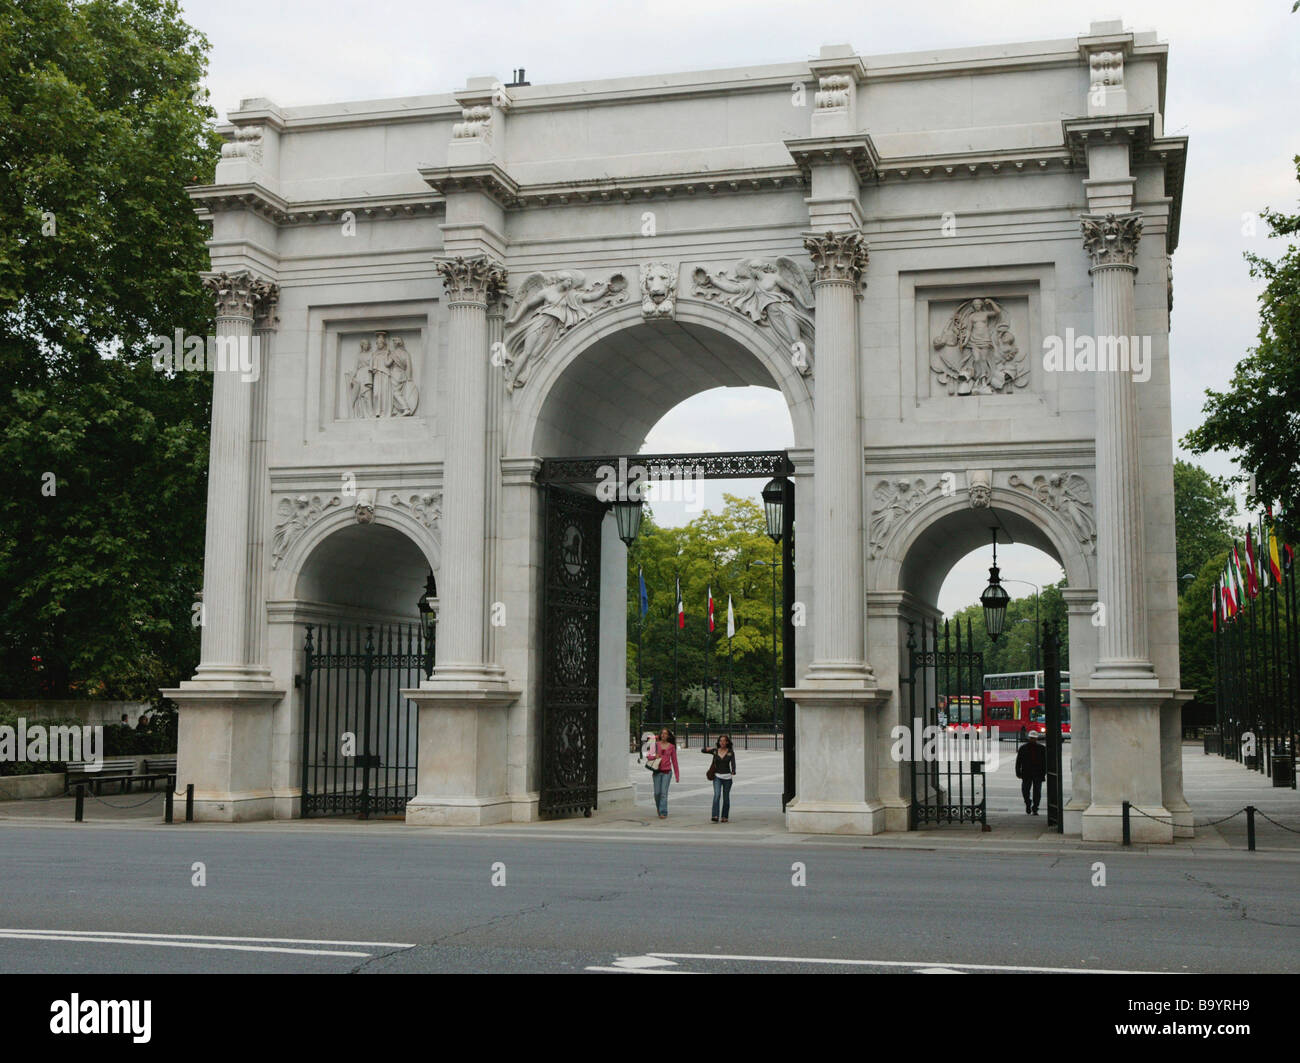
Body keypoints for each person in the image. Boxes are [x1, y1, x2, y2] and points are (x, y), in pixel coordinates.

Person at [701, 734, 737, 823]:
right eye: (720, 741)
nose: (722, 742)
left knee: (726, 797)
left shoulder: (730, 752)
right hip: (717, 776)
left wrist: (733, 770)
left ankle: (725, 816)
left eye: (724, 741)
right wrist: (707, 748)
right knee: (716, 795)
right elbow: (702, 750)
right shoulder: (715, 751)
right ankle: (715, 815)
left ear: (727, 742)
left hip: (727, 778)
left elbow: (733, 763)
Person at [1015, 730, 1047, 815]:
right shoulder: (1023, 748)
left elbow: (1045, 762)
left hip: (1038, 773)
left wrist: (1044, 772)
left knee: (1037, 792)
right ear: (1029, 738)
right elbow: (1018, 761)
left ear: (1036, 739)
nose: (1033, 739)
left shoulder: (1042, 748)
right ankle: (1028, 803)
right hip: (1027, 773)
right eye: (1031, 738)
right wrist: (1018, 772)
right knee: (1025, 790)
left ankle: (1035, 808)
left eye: (1034, 738)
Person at [650, 728, 679, 819]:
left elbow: (674, 761)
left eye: (665, 734)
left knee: (663, 793)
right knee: (657, 793)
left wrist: (677, 775)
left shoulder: (671, 747)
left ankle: (663, 812)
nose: (663, 735)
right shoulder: (655, 745)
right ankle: (659, 808)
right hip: (657, 772)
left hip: (667, 772)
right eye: (662, 733)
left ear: (668, 736)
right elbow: (649, 756)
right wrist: (655, 756)